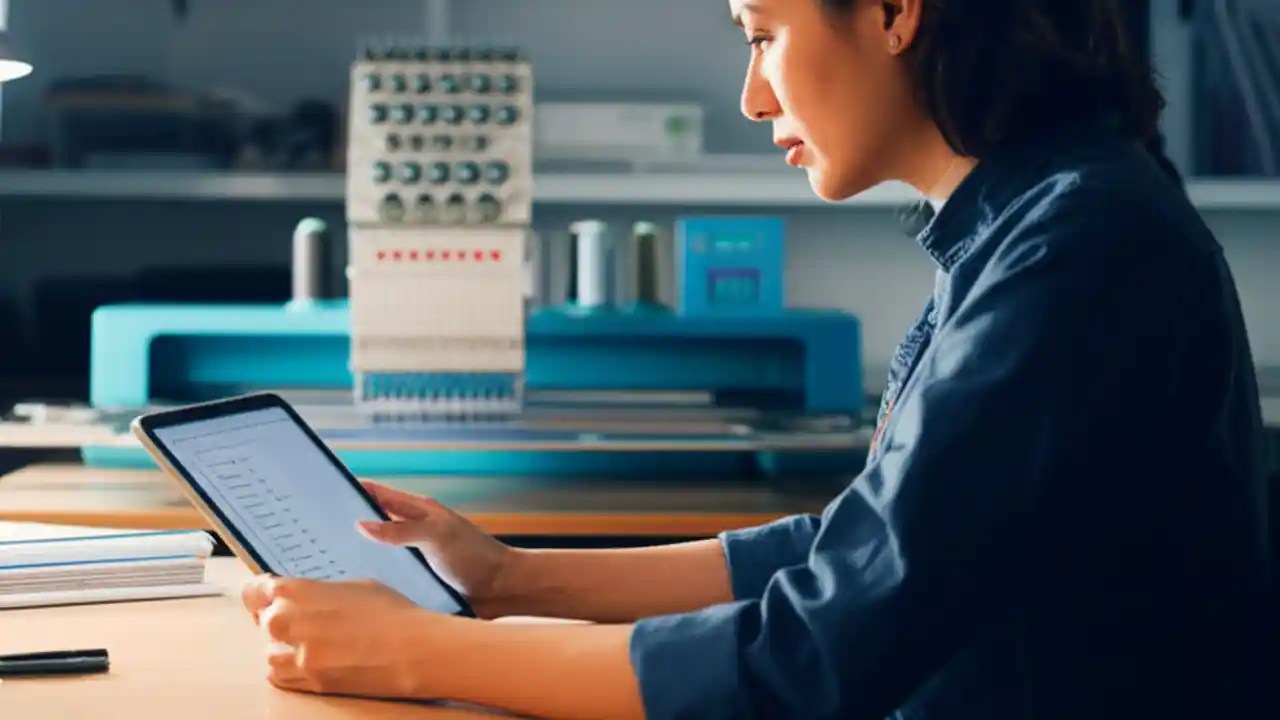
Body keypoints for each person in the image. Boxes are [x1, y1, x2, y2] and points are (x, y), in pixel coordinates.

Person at [242, 0, 1274, 717]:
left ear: (891, 12)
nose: (751, 96)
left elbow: (813, 658)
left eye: (763, 35)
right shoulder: (1042, 219)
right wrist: (508, 577)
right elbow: (862, 554)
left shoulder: (1077, 249)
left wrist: (423, 651)